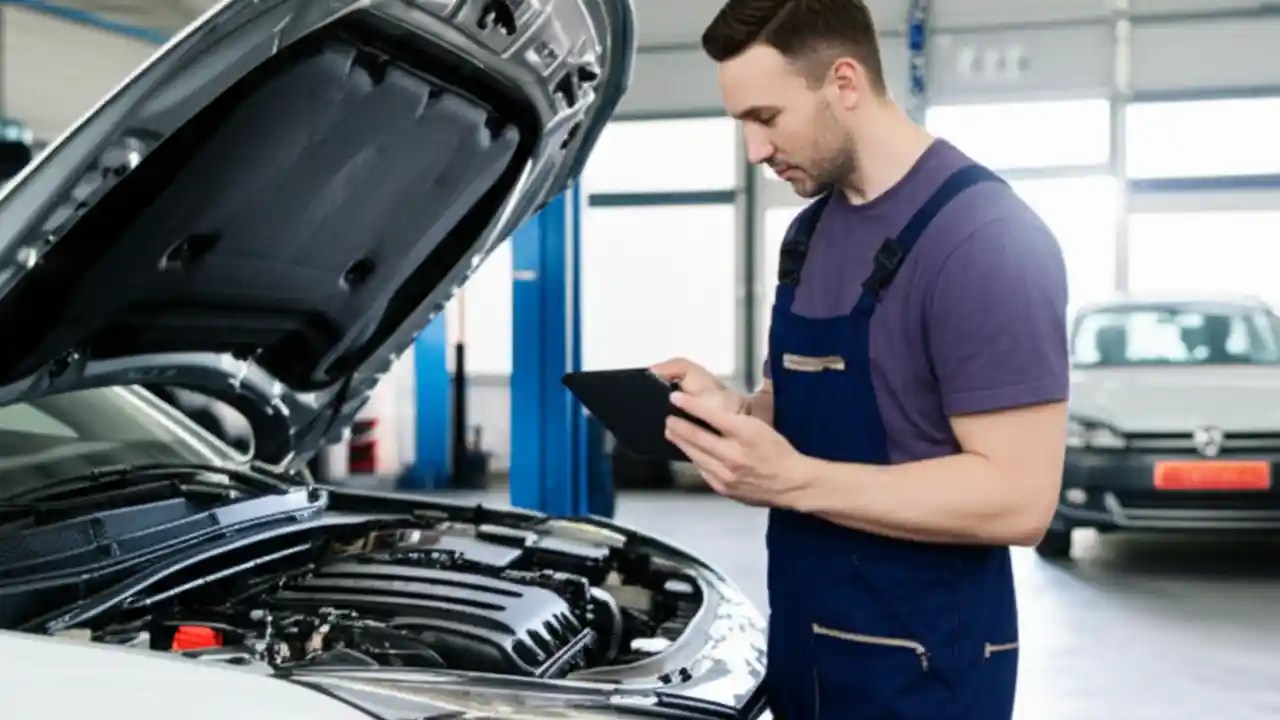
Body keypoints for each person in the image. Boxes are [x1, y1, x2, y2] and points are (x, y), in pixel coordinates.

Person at [650, 1, 1070, 718]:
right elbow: (792, 413)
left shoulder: (986, 241)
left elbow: (1020, 499)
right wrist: (733, 413)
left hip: (924, 675)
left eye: (766, 117)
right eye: (741, 124)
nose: (754, 150)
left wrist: (795, 481)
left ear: (844, 82)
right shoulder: (809, 235)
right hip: (808, 654)